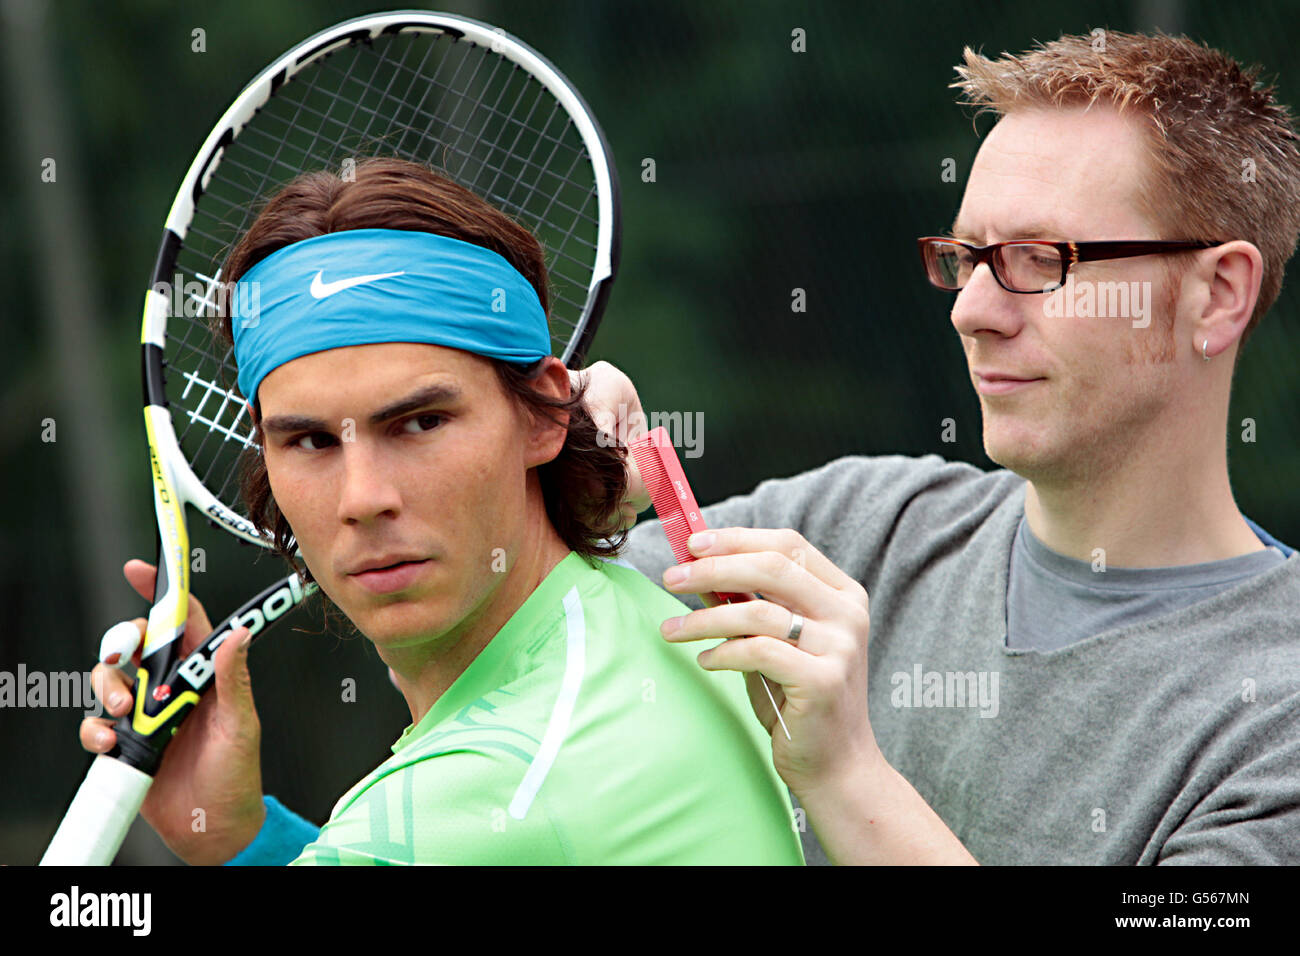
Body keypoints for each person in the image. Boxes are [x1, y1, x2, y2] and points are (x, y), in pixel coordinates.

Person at [597, 31, 1300, 865]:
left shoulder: (1278, 711)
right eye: (965, 259)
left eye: (1039, 260)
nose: (971, 311)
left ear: (1217, 296)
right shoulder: (859, 527)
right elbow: (486, 627)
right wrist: (560, 473)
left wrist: (848, 775)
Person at [81, 158, 804, 865]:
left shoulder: (470, 807)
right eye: (309, 439)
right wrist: (239, 841)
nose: (363, 498)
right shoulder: (637, 628)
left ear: (542, 417)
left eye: (420, 423)